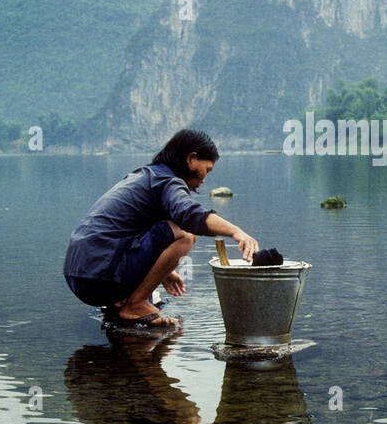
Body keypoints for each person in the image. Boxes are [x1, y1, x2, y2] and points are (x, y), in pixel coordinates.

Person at [63, 129, 258, 328]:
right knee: (186, 234)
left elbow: (136, 231)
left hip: (80, 275)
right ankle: (136, 305)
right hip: (100, 277)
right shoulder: (167, 181)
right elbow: (189, 216)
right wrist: (236, 231)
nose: (204, 179)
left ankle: (122, 300)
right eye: (206, 170)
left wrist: (162, 271)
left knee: (171, 229)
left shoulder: (145, 175)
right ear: (191, 159)